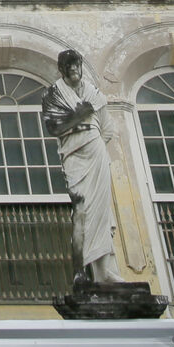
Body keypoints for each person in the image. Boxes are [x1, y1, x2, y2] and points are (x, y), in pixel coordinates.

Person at [40, 48, 124, 284]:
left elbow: (107, 128)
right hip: (74, 153)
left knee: (102, 211)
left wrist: (92, 140)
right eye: (69, 67)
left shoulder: (94, 93)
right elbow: (53, 127)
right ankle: (80, 270)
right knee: (82, 208)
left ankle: (104, 271)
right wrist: (79, 116)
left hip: (95, 149)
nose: (74, 70)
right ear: (62, 70)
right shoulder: (53, 94)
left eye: (77, 65)